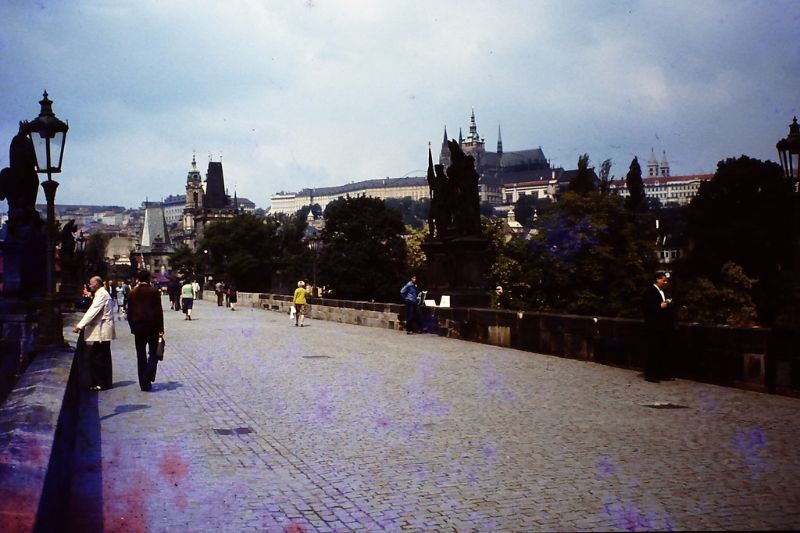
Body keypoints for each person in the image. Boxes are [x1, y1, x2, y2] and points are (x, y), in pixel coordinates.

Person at [73, 275, 116, 391]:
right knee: (102, 355)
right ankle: (104, 381)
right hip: (102, 329)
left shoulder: (101, 294)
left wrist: (79, 326)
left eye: (91, 283)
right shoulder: (101, 293)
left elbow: (93, 311)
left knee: (98, 356)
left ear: (97, 284)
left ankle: (100, 382)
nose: (89, 285)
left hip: (102, 330)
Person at [127, 270, 165, 392]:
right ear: (148, 278)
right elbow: (158, 311)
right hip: (152, 326)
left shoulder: (133, 293)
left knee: (140, 355)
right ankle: (148, 374)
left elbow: (129, 312)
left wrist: (132, 327)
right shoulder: (154, 292)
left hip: (138, 327)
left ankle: (143, 384)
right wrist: (161, 328)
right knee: (154, 353)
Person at [642, 271, 675, 383]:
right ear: (657, 279)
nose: (665, 282)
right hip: (653, 327)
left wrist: (668, 304)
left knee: (661, 350)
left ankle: (661, 374)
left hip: (662, 326)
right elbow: (647, 308)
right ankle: (650, 375)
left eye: (666, 280)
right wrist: (660, 306)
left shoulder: (663, 291)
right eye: (664, 280)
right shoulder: (649, 291)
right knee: (652, 351)